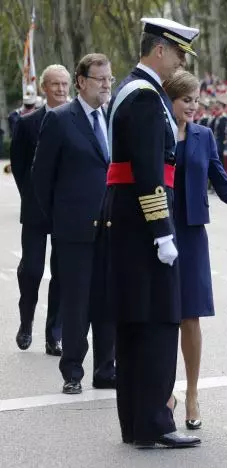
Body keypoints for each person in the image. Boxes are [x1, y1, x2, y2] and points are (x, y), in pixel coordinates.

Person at [98, 17, 201, 448]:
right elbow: (146, 172)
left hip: (129, 222)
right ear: (159, 50)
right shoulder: (143, 96)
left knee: (136, 326)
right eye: (178, 53)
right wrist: (161, 230)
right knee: (158, 324)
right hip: (142, 226)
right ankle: (156, 422)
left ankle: (138, 425)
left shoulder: (138, 91)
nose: (180, 62)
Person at [162, 70, 227, 429]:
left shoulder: (204, 136)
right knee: (162, 317)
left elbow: (226, 189)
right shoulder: (154, 130)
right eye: (185, 99)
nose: (192, 106)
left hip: (190, 234)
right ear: (170, 99)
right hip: (157, 229)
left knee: (190, 317)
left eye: (196, 99)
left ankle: (191, 394)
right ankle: (164, 391)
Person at [32, 54, 116, 395]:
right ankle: (73, 371)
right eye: (99, 79)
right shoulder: (60, 120)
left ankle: (106, 368)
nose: (106, 85)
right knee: (77, 303)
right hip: (74, 229)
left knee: (108, 301)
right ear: (81, 82)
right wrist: (59, 219)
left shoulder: (115, 118)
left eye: (110, 79)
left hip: (111, 227)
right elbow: (41, 178)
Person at [10, 65, 70, 356]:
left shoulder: (76, 120)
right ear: (44, 88)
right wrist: (32, 197)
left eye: (64, 84)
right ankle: (26, 321)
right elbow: (19, 167)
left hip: (66, 210)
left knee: (61, 272)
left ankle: (53, 334)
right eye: (55, 85)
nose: (60, 89)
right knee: (32, 270)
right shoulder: (28, 122)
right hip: (35, 208)